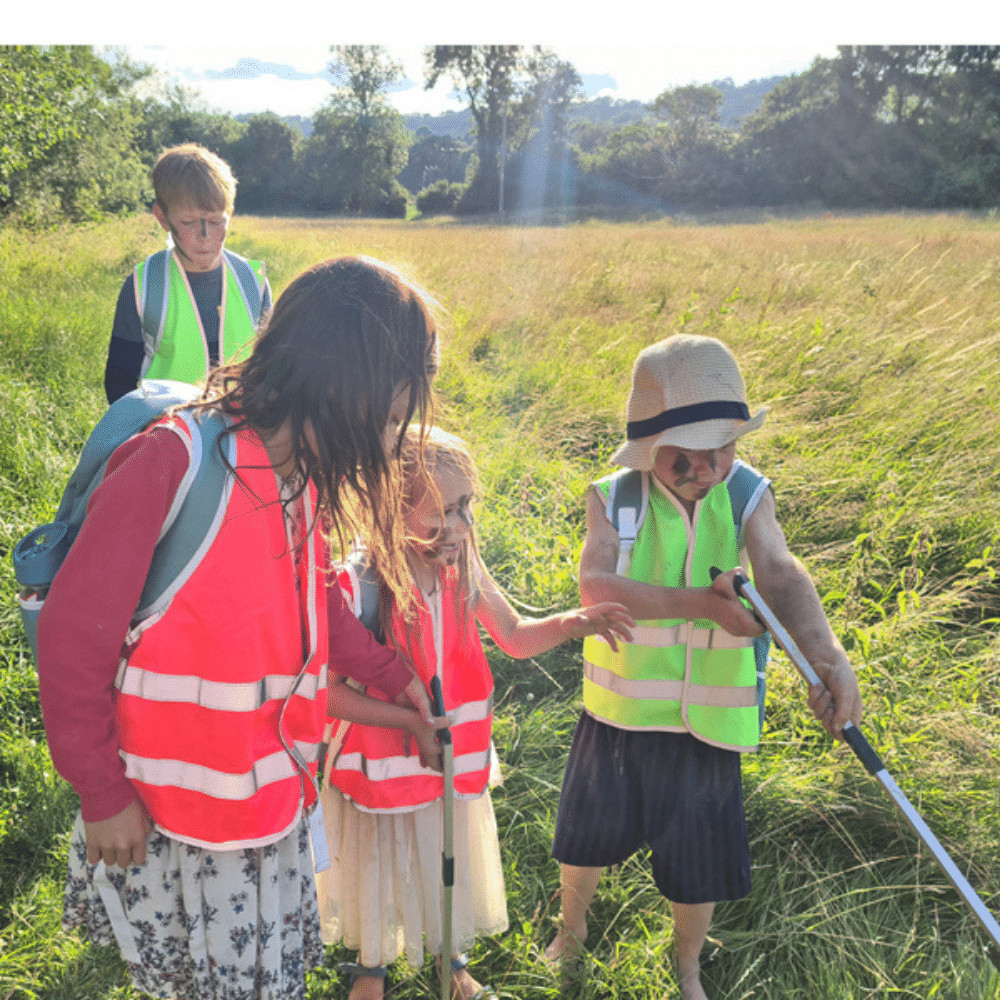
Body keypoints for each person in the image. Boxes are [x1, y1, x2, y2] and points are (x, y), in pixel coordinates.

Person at [38, 256, 443, 1000]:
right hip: (165, 818)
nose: (391, 447)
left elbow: (314, 606)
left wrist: (394, 675)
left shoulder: (298, 473)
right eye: (388, 419)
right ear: (339, 383)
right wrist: (100, 792)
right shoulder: (175, 461)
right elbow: (71, 640)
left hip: (266, 807)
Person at [543, 334, 865, 1000]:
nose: (709, 466)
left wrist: (825, 655)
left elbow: (778, 570)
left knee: (700, 863)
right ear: (648, 446)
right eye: (687, 453)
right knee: (586, 836)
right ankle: (570, 930)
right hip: (620, 712)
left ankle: (685, 965)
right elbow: (596, 585)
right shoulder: (616, 498)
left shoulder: (747, 492)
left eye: (723, 446)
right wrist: (699, 607)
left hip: (708, 725)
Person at [316, 425, 635, 1000]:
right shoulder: (361, 584)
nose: (461, 527)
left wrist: (574, 623)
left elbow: (512, 635)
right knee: (381, 858)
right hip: (383, 761)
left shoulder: (463, 569)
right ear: (390, 507)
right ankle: (373, 966)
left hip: (450, 756)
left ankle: (450, 956)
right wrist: (408, 723)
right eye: (443, 512)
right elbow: (327, 693)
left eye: (466, 508)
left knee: (447, 848)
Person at [104, 143, 272, 404]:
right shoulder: (143, 286)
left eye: (216, 222)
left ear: (230, 214)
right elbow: (119, 381)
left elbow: (272, 370)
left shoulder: (254, 282)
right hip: (168, 435)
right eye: (188, 222)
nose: (205, 237)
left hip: (241, 433)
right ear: (162, 217)